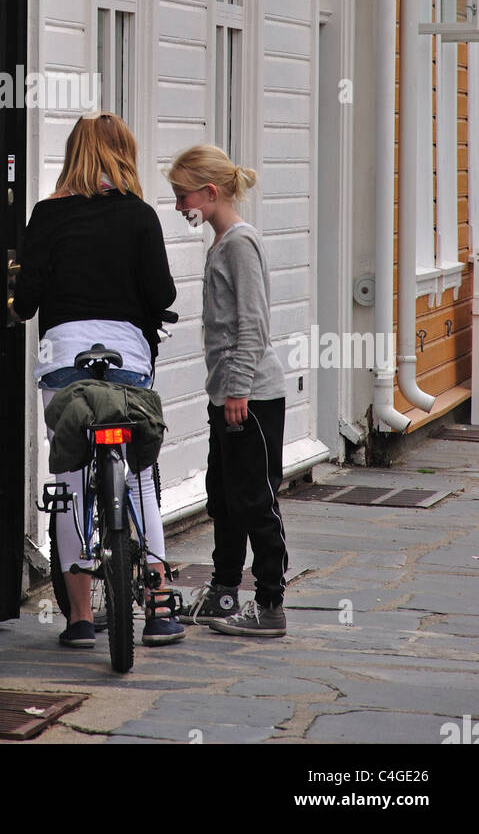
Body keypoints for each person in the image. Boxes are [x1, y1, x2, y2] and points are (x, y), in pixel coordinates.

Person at [11, 112, 183, 648]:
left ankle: (81, 619)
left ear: (73, 156)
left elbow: (28, 302)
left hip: (63, 360)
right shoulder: (139, 216)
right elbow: (164, 296)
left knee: (67, 483)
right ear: (123, 156)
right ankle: (157, 605)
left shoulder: (46, 215)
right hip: (126, 360)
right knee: (139, 481)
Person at [168, 144, 288, 637]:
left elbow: (252, 324)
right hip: (229, 397)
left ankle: (269, 605)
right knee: (224, 496)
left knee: (255, 499)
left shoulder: (240, 244)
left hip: (251, 398)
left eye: (183, 195)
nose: (179, 206)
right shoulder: (222, 242)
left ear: (211, 192)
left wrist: (237, 390)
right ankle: (222, 593)